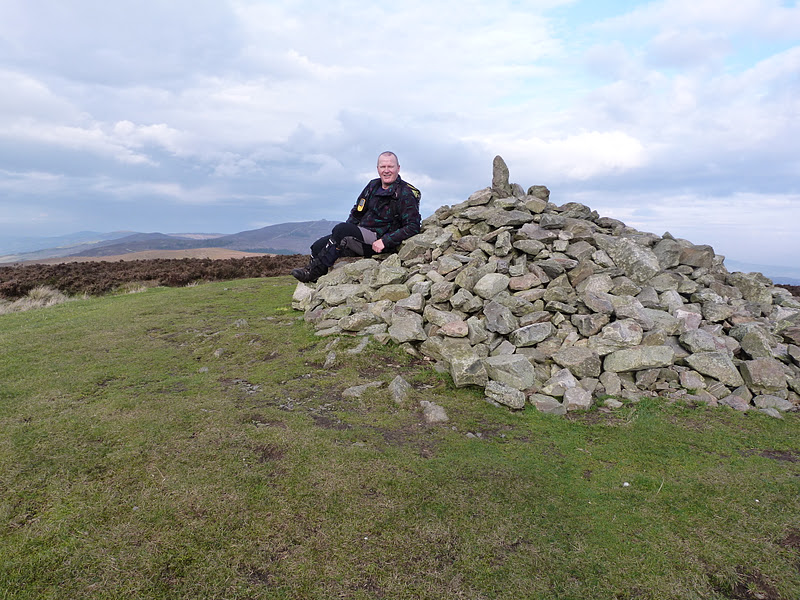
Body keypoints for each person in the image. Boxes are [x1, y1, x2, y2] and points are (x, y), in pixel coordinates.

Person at [291, 151, 422, 283]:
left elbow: (413, 226)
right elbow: (357, 212)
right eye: (383, 167)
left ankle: (313, 273)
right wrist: (340, 236)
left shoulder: (405, 193)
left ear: (398, 168)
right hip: (362, 234)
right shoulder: (373, 185)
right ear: (378, 169)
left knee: (341, 230)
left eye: (390, 167)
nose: (386, 171)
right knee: (317, 246)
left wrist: (385, 241)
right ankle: (317, 277)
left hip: (379, 240)